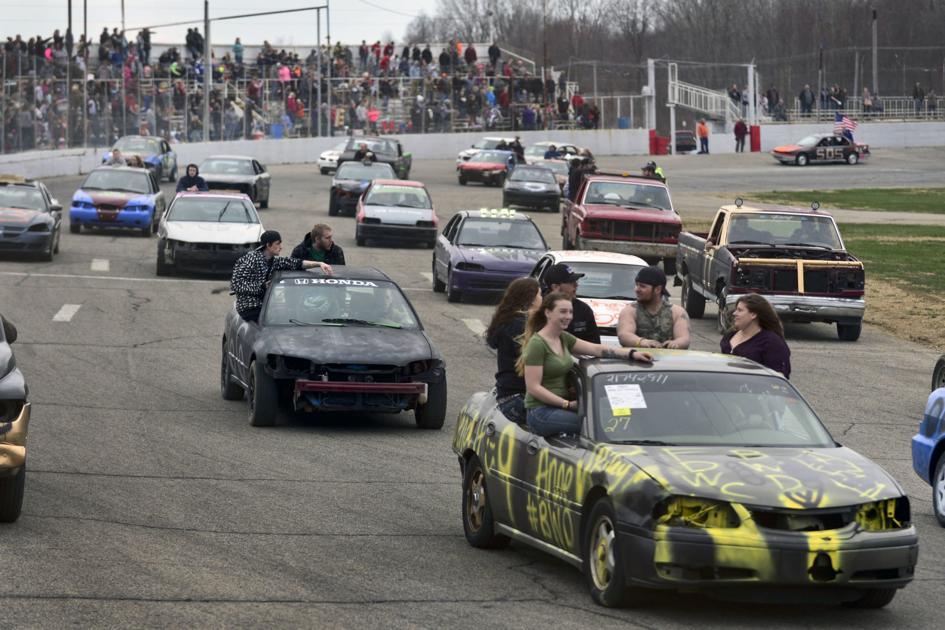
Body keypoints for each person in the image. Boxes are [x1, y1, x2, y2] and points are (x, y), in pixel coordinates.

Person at [518, 292, 652, 437]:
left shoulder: (563, 338)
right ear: (548, 312)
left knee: (614, 419)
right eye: (563, 311)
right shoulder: (537, 344)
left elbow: (595, 349)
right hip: (540, 412)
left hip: (560, 408)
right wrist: (567, 404)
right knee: (599, 426)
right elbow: (533, 387)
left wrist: (631, 354)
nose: (568, 316)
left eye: (570, 312)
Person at [230, 230, 333, 322]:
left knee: (292, 314)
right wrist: (262, 287)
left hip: (264, 306)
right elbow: (236, 284)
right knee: (287, 319)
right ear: (268, 245)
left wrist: (319, 264)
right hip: (249, 308)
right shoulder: (250, 259)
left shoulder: (275, 261)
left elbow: (296, 263)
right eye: (278, 244)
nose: (281, 247)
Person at [486, 277, 542, 423]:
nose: (542, 299)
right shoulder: (520, 326)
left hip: (508, 394)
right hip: (517, 398)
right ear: (530, 299)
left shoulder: (509, 319)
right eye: (540, 295)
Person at [617, 265, 690, 349]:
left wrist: (676, 344)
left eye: (642, 286)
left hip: (668, 360)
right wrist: (642, 342)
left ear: (658, 289)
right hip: (637, 360)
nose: (637, 289)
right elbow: (624, 335)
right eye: (637, 285)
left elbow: (684, 338)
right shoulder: (630, 311)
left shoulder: (677, 312)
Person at [720, 293, 791, 378]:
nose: (734, 313)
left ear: (753, 314)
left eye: (740, 310)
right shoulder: (730, 335)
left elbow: (779, 377)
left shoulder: (772, 342)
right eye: (736, 310)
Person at [544, 263, 600, 344]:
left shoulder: (583, 309)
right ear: (555, 287)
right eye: (571, 282)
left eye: (576, 281)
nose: (576, 285)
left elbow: (594, 344)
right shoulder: (538, 308)